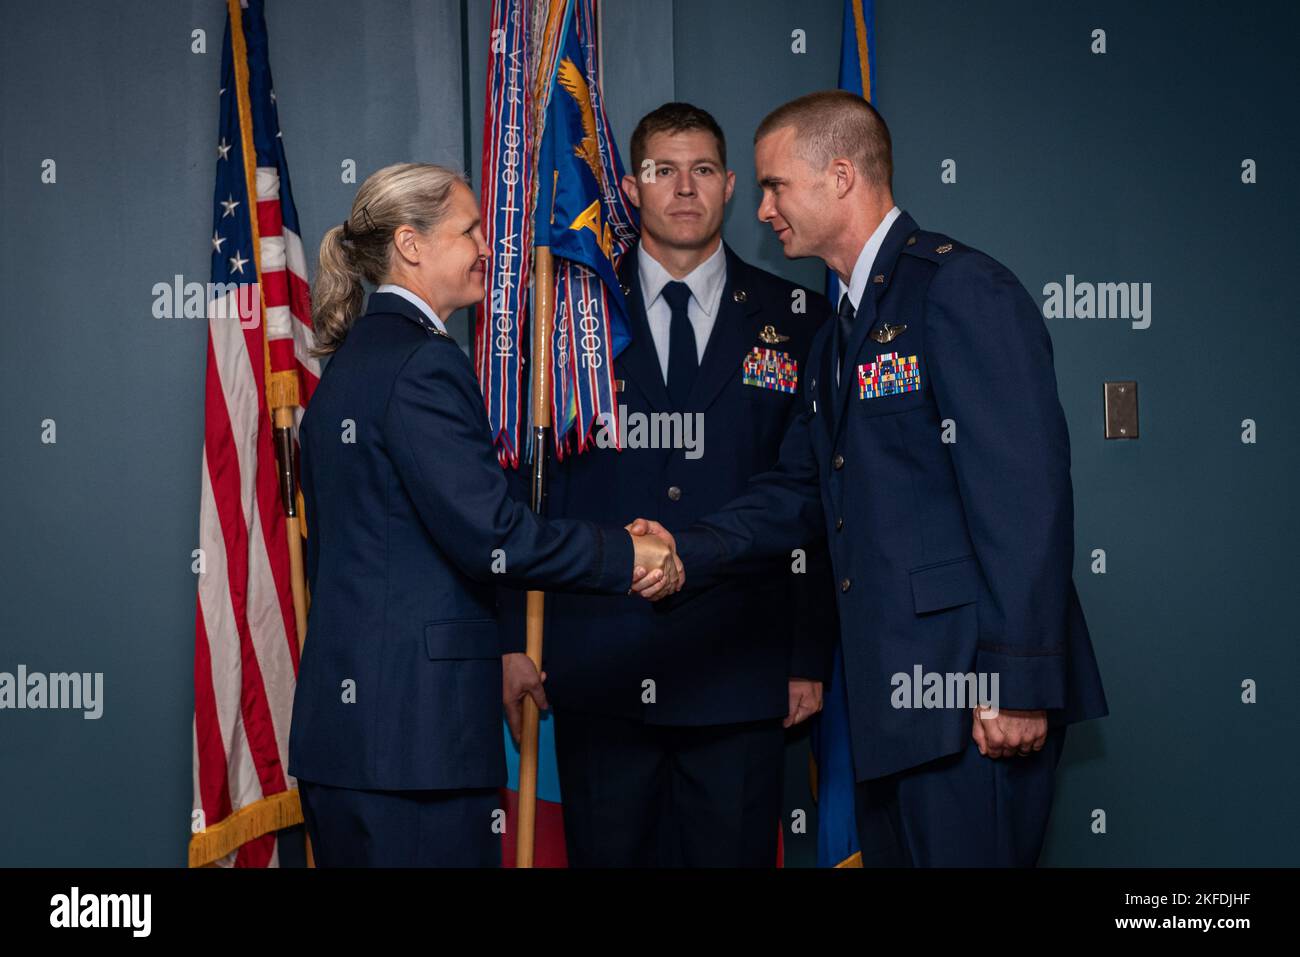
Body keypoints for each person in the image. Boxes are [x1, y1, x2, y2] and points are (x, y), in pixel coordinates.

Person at [638, 91, 1108, 866]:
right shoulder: (837, 336)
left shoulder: (959, 291)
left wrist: (1019, 680)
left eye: (775, 186)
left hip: (972, 702)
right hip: (892, 717)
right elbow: (798, 492)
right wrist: (686, 549)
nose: (761, 209)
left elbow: (1026, 495)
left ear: (843, 175)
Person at [287, 162, 681, 867]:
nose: (487, 247)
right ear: (410, 245)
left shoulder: (349, 364)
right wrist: (627, 554)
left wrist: (500, 647)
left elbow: (391, 551)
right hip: (417, 749)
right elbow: (491, 536)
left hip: (351, 741)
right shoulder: (424, 363)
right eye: (469, 230)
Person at [500, 104, 836, 867]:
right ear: (629, 187)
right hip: (600, 666)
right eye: (662, 170)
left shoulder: (799, 317)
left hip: (740, 669)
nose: (684, 188)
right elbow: (521, 487)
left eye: (704, 170)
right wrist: (512, 639)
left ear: (731, 186)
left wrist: (806, 652)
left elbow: (815, 494)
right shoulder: (565, 317)